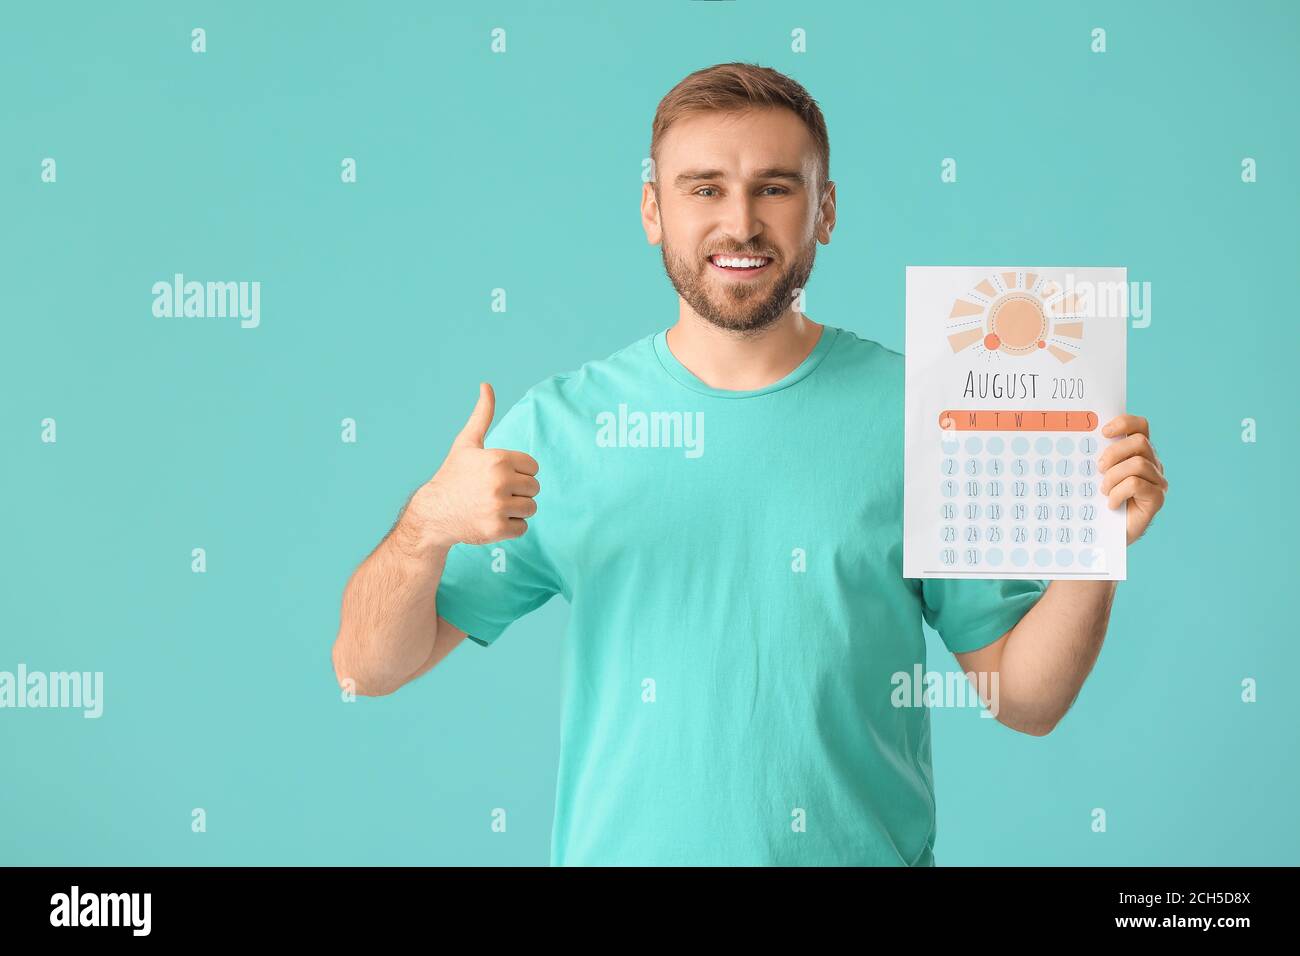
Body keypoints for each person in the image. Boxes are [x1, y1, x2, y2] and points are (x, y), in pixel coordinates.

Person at [331, 62, 1169, 866]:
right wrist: (424, 528)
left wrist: (1096, 548)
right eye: (704, 189)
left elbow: (1024, 699)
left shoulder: (923, 415)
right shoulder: (562, 428)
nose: (739, 223)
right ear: (653, 210)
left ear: (825, 210)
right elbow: (366, 668)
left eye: (775, 186)